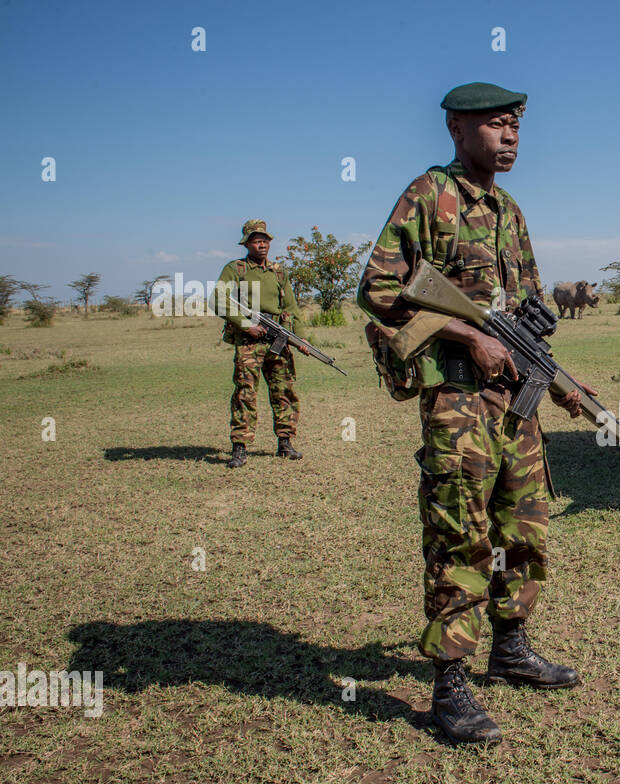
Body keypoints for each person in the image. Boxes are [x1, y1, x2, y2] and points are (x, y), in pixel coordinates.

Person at [356, 82, 589, 745]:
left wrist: (541, 344)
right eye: (495, 124)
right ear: (457, 130)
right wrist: (469, 336)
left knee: (527, 526)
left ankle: (511, 647)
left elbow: (528, 299)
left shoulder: (510, 210)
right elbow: (377, 288)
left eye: (516, 125)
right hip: (458, 402)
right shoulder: (429, 195)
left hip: (515, 405)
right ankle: (449, 685)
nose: (511, 135)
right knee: (461, 533)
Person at [214, 220, 304, 469]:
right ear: (247, 243)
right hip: (249, 342)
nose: (262, 244)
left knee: (284, 392)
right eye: (256, 240)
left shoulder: (278, 272)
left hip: (278, 339)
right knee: (245, 393)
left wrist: (302, 339)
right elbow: (218, 300)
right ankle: (240, 448)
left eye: (265, 239)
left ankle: (285, 443)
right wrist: (246, 325)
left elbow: (292, 308)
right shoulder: (236, 269)